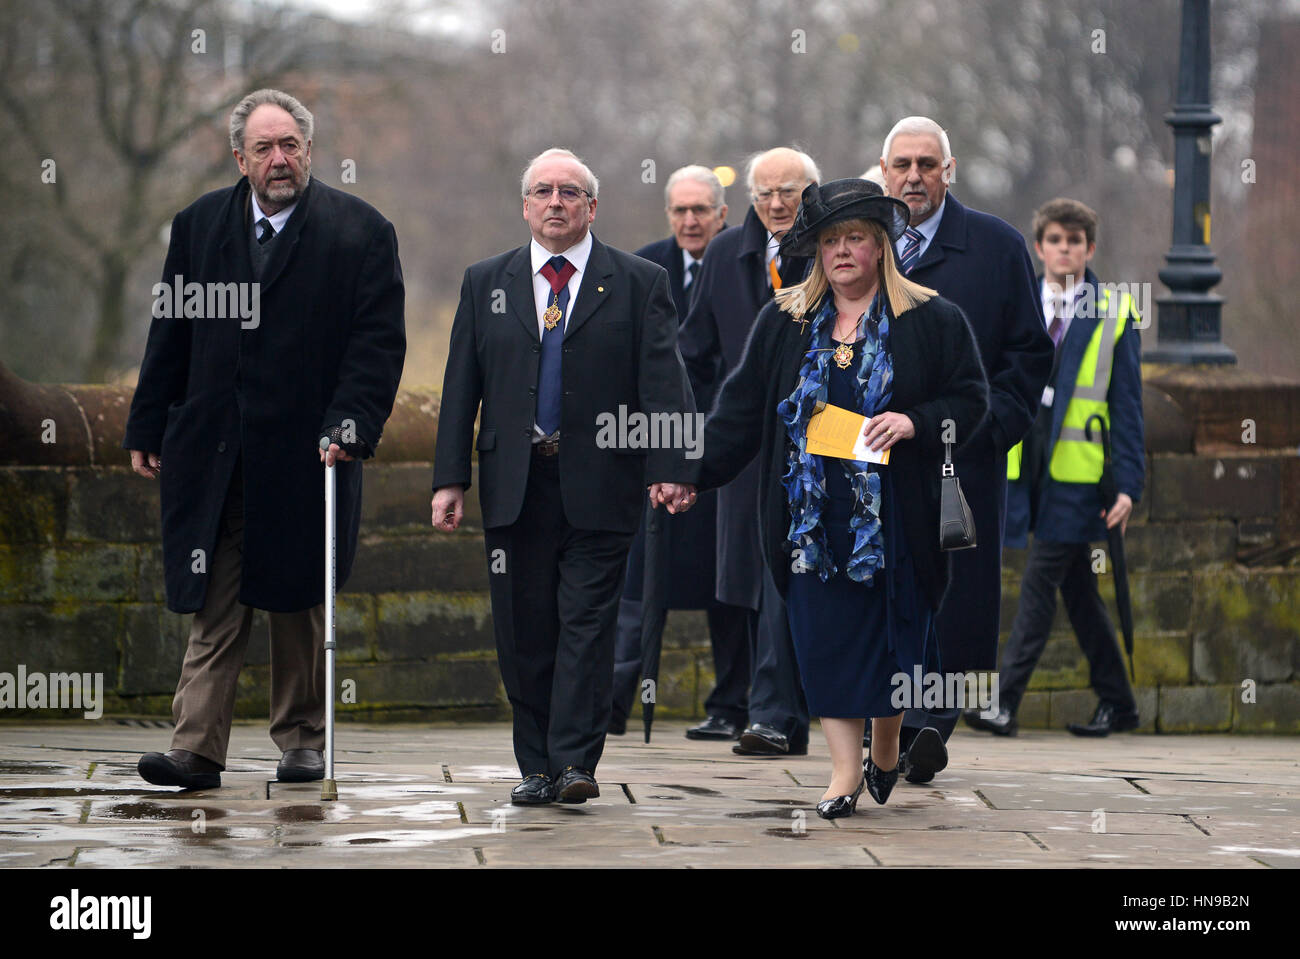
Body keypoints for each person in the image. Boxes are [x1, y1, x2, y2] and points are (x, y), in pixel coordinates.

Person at [676, 178, 988, 817]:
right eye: (829, 242)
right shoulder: (784, 321)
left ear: (881, 247)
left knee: (893, 640)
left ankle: (886, 744)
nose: (842, 251)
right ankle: (844, 774)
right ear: (815, 252)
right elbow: (738, 413)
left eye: (855, 239)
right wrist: (689, 473)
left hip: (898, 516)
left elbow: (971, 401)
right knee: (824, 640)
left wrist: (915, 422)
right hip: (811, 520)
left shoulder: (931, 318)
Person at [124, 88, 406, 789]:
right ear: (239, 157)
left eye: (290, 146)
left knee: (299, 603)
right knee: (213, 603)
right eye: (264, 148)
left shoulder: (360, 231)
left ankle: (304, 740)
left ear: (308, 150)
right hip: (213, 451)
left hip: (308, 453)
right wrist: (147, 420)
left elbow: (376, 346)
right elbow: (172, 332)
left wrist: (350, 423)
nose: (279, 160)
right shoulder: (197, 226)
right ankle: (196, 749)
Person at [430, 148, 697, 806]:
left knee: (586, 622)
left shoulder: (637, 282)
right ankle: (536, 763)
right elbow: (461, 385)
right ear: (525, 206)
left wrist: (672, 466)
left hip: (602, 482)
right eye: (543, 191)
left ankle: (575, 760)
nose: (556, 202)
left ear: (592, 207)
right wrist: (448, 478)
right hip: (514, 485)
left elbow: (664, 380)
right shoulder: (484, 281)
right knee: (524, 628)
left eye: (570, 192)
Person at [876, 116, 1054, 782]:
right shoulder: (863, 242)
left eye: (928, 163)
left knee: (961, 600)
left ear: (949, 170)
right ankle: (891, 725)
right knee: (886, 589)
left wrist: (991, 428)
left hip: (962, 459)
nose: (915, 176)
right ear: (884, 169)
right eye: (903, 164)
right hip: (878, 456)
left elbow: (1031, 352)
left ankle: (931, 725)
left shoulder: (997, 246)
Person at [965, 198, 1144, 738]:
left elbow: (1128, 406)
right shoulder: (1020, 303)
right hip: (1026, 468)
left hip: (1079, 475)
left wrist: (1129, 485)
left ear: (1090, 249)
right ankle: (1120, 702)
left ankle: (1004, 701)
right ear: (1039, 247)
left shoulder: (1114, 311)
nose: (1065, 249)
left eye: (1075, 241)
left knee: (1041, 582)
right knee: (1078, 595)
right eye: (1055, 241)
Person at [678, 146, 820, 754]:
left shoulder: (832, 252)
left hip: (820, 445)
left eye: (789, 191)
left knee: (796, 576)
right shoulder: (724, 257)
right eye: (765, 194)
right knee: (755, 580)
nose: (777, 204)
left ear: (811, 193)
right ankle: (770, 713)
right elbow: (694, 354)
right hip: (745, 451)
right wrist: (691, 436)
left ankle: (779, 712)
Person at [609, 165, 736, 737]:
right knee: (639, 582)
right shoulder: (644, 266)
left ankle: (733, 703)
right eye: (681, 210)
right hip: (658, 444)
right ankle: (611, 703)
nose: (690, 220)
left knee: (729, 579)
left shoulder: (741, 262)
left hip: (726, 445)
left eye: (701, 210)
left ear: (722, 214)